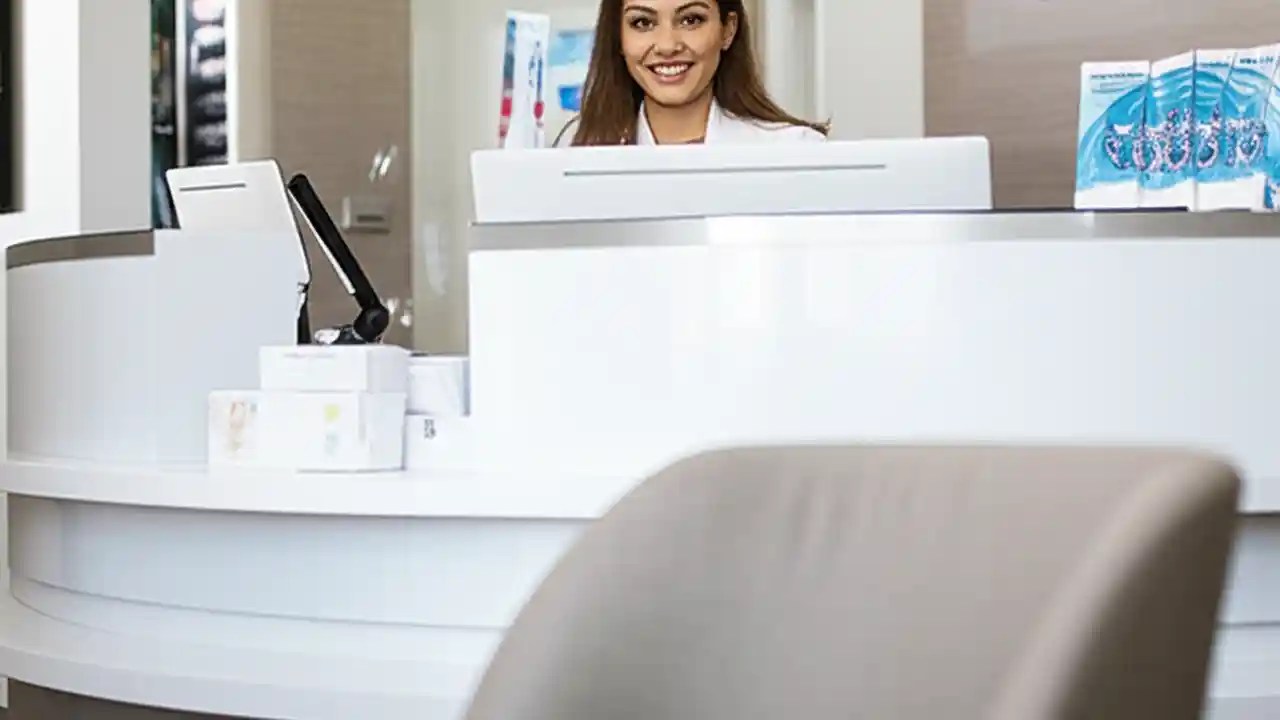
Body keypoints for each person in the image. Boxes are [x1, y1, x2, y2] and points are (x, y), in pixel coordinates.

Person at [558, 0, 828, 146]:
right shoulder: (573, 153)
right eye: (643, 22)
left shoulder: (794, 150)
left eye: (691, 20)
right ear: (618, 37)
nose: (667, 46)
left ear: (727, 30)